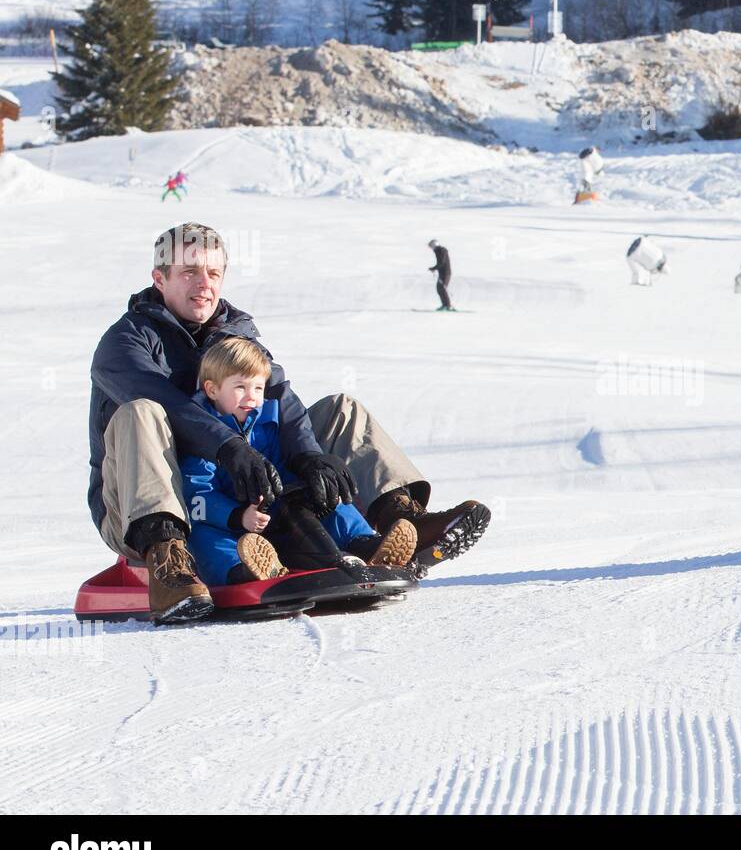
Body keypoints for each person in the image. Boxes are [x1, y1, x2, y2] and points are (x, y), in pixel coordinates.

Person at [89, 222, 492, 624]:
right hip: (148, 505)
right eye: (190, 272)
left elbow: (281, 396)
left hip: (242, 491)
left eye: (213, 273)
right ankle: (168, 562)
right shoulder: (124, 343)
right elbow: (170, 405)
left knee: (340, 410)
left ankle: (401, 525)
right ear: (160, 278)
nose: (204, 284)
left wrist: (308, 456)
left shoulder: (234, 332)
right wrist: (230, 449)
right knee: (141, 412)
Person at [181, 337, 417, 586]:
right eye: (240, 387)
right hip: (231, 523)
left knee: (330, 499)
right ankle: (244, 570)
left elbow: (283, 465)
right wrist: (237, 516)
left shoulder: (269, 422)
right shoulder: (203, 436)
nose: (251, 397)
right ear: (212, 389)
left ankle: (364, 544)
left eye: (258, 388)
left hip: (277, 516)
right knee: (206, 538)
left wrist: (308, 487)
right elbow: (197, 496)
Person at [428, 238, 454, 311]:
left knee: (442, 288)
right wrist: (434, 268)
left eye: (431, 246)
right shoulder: (438, 251)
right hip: (442, 273)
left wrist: (434, 268)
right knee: (439, 289)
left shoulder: (441, 251)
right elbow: (440, 263)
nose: (430, 248)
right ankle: (444, 305)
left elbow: (442, 263)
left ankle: (448, 306)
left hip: (446, 273)